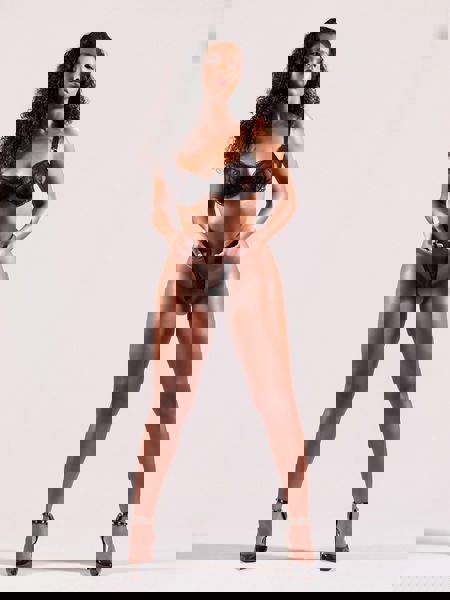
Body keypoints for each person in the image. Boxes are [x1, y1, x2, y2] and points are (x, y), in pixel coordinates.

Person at [6, 20, 337, 576]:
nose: (223, 70)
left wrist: (254, 239)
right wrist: (177, 236)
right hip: (187, 265)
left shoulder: (255, 132)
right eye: (215, 60)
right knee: (169, 395)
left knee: (274, 389)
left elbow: (287, 198)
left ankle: (301, 517)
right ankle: (142, 519)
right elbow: (159, 206)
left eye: (233, 62)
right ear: (198, 68)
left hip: (246, 267)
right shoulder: (172, 134)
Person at [0, 31, 110, 280]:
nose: (78, 79)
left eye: (85, 73)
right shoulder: (47, 116)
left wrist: (25, 229)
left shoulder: (56, 130)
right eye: (78, 71)